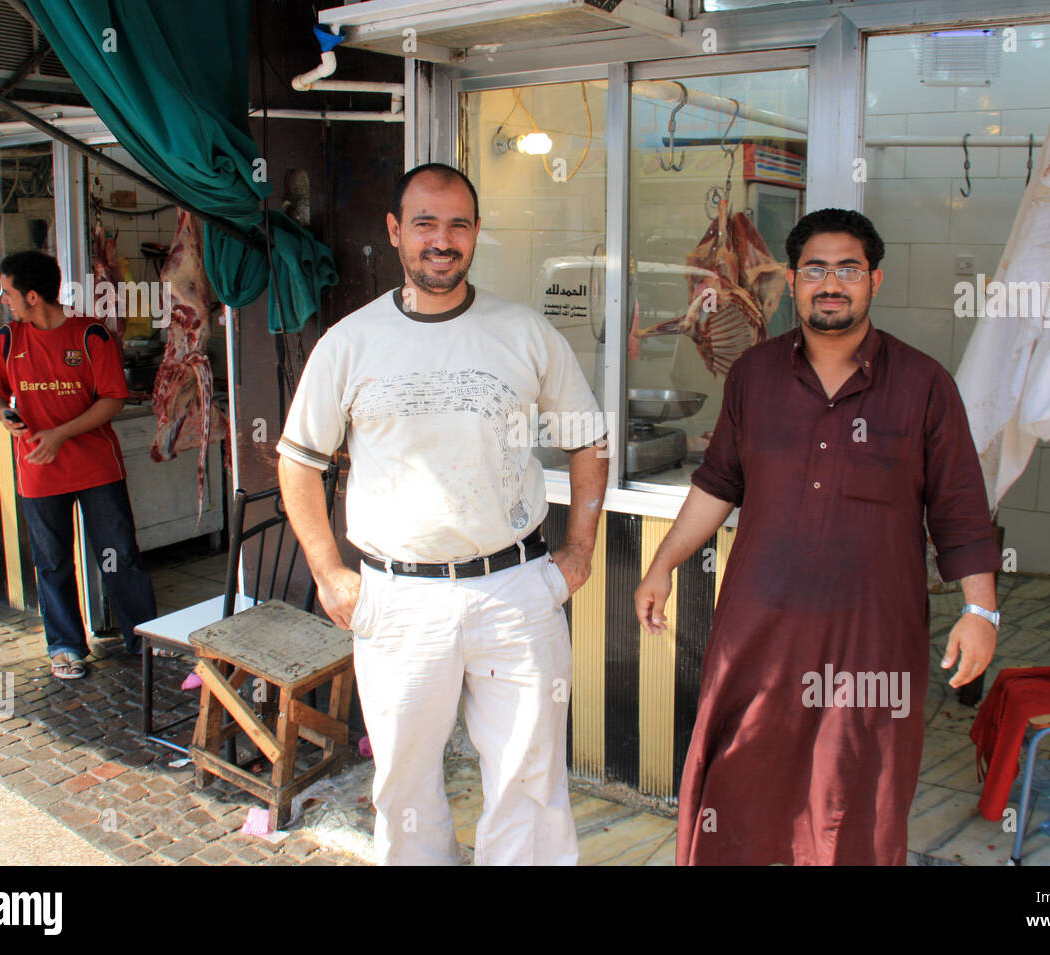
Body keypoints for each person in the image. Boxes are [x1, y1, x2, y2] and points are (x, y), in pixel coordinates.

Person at [634, 208, 1001, 865]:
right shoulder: (754, 376)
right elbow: (719, 482)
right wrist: (662, 563)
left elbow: (961, 511)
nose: (831, 283)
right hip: (757, 631)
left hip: (871, 639)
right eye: (815, 269)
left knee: (854, 800)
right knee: (737, 781)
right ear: (794, 281)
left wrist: (980, 609)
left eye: (848, 269)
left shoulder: (923, 386)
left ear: (874, 281)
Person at [277, 162, 608, 866]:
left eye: (458, 223)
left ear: (478, 232)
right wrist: (329, 572)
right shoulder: (350, 342)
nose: (442, 239)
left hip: (516, 590)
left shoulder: (525, 333)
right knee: (403, 789)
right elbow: (297, 462)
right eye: (424, 222)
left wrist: (579, 547)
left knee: (529, 783)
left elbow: (588, 440)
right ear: (395, 231)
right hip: (397, 597)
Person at [0, 250, 157, 680]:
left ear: (33, 296)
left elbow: (113, 399)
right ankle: (66, 646)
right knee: (53, 561)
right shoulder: (8, 341)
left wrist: (60, 434)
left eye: (8, 293)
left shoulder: (91, 336)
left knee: (117, 555)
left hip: (96, 468)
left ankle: (144, 637)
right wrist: (6, 416)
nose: (4, 300)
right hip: (39, 471)